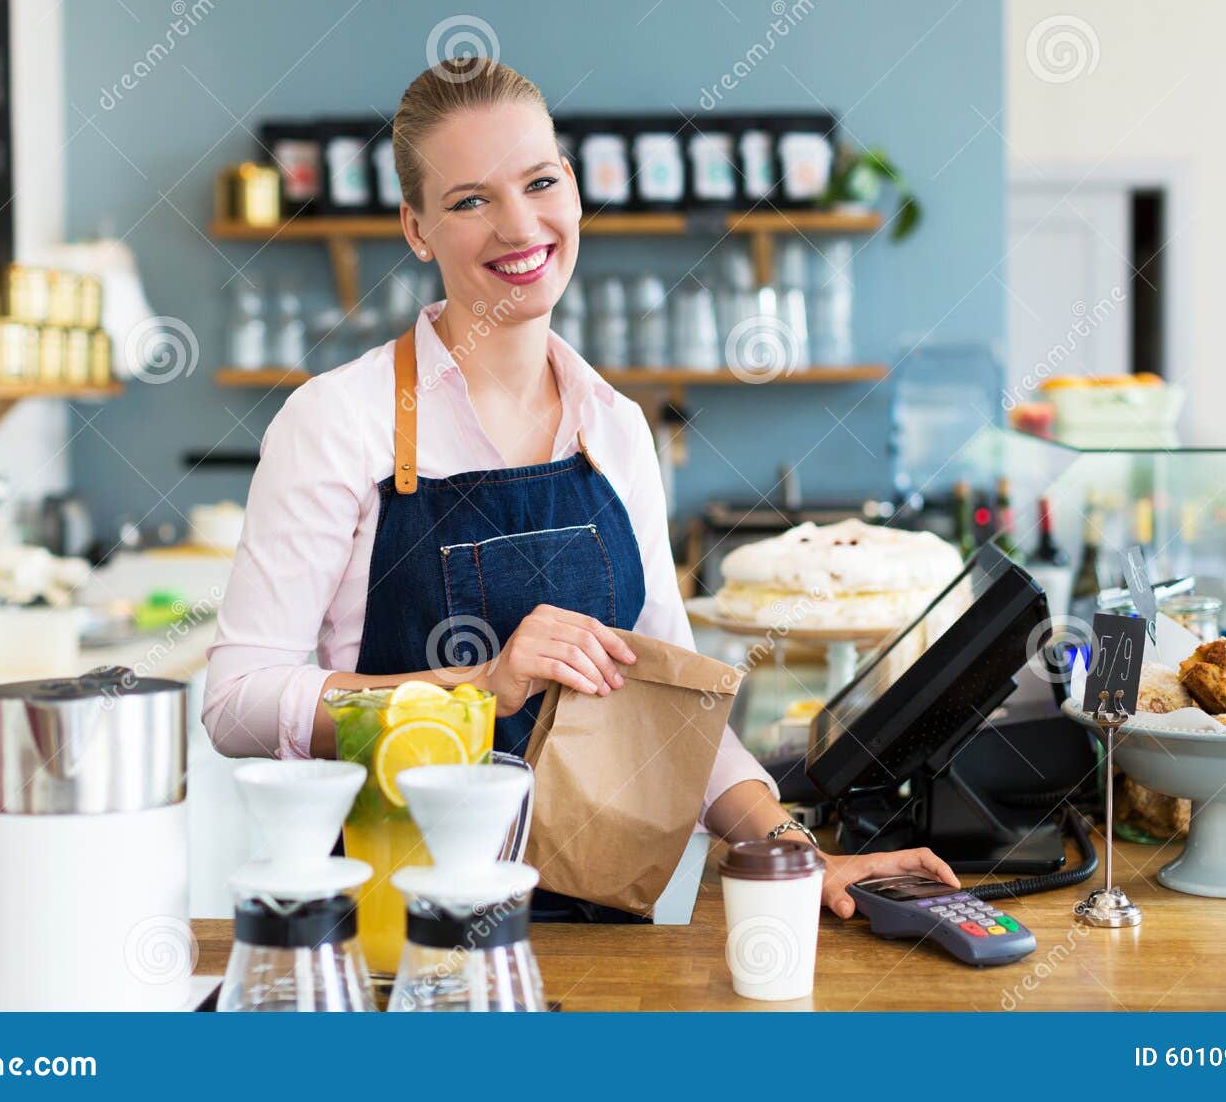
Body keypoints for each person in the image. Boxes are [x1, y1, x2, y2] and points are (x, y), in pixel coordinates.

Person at [203, 56, 957, 920]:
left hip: (594, 934)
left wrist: (798, 853)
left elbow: (671, 706)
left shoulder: (615, 428)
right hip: (398, 931)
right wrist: (475, 690)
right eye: (470, 200)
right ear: (417, 229)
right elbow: (236, 703)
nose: (520, 227)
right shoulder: (339, 421)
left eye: (540, 182)